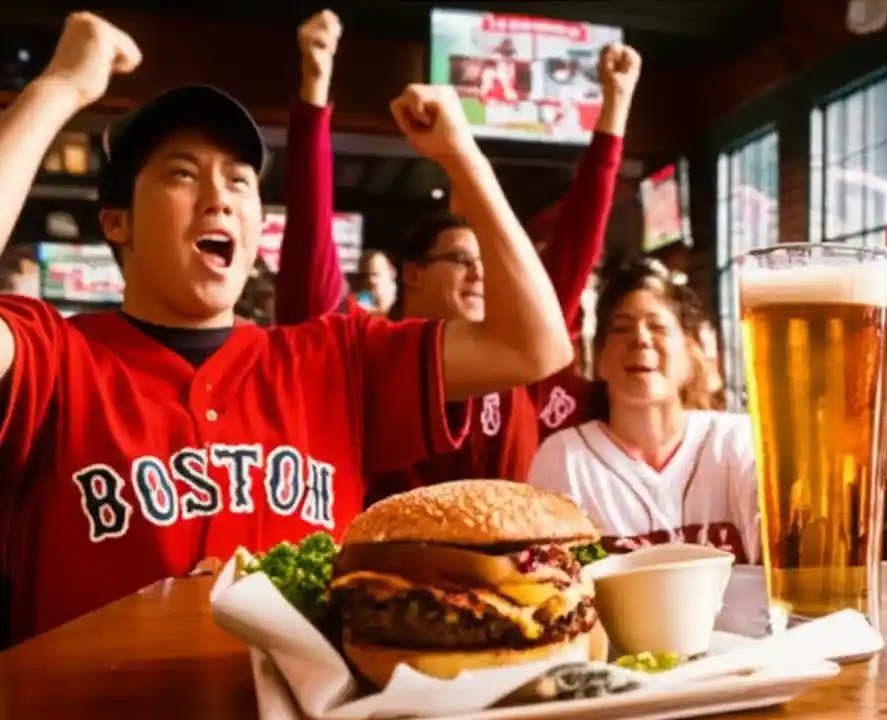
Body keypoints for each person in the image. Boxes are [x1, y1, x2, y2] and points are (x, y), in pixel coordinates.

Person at [0, 12, 572, 644]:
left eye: (239, 182)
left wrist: (463, 158)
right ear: (117, 222)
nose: (219, 197)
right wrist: (58, 89)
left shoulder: (335, 358)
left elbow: (534, 345)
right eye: (183, 174)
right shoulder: (52, 358)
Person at [274, 10, 638, 491]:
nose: (481, 274)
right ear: (414, 274)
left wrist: (614, 109)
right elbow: (308, 251)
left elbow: (575, 241)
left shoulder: (521, 348)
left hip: (521, 564)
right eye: (462, 260)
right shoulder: (369, 355)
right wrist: (314, 91)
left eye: (486, 262)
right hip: (388, 566)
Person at [527, 260, 759, 565]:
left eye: (658, 326)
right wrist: (608, 551)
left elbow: (779, 540)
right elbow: (557, 566)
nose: (640, 338)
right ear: (599, 358)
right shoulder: (564, 457)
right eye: (621, 328)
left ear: (692, 352)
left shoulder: (734, 440)